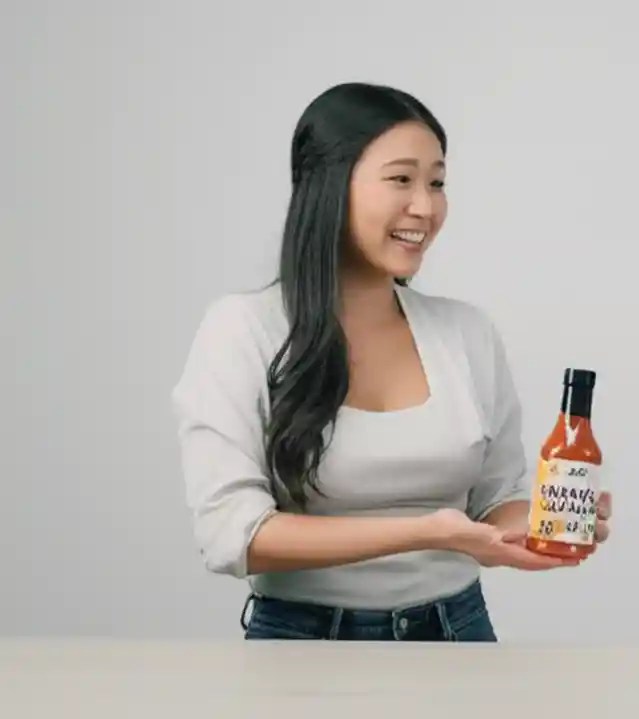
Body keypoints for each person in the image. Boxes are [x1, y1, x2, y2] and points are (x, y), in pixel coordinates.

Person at [171, 82, 611, 641]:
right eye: (401, 179)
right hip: (301, 644)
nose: (424, 207)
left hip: (456, 635)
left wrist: (549, 520)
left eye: (437, 182)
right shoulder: (243, 330)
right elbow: (232, 535)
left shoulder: (466, 332)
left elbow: (495, 502)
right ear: (328, 185)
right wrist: (428, 532)